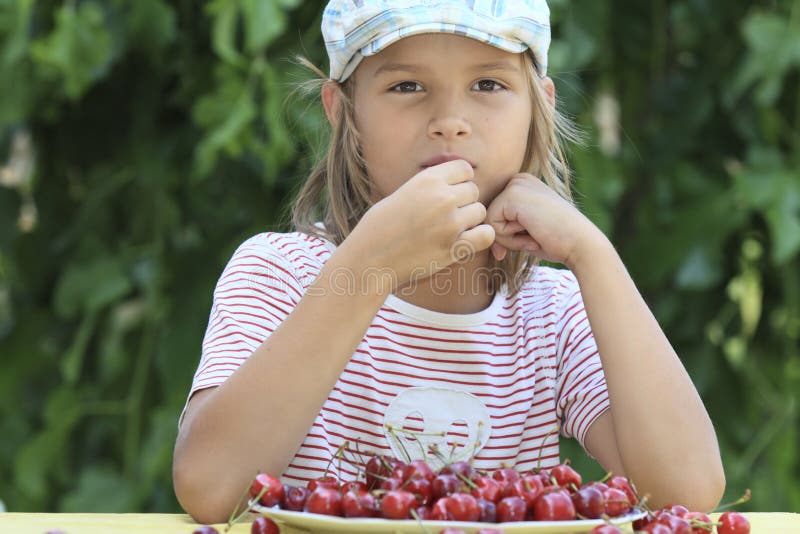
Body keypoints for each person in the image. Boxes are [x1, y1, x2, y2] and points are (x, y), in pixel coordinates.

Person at [173, 0, 725, 524]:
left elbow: (687, 493)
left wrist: (593, 254)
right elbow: (210, 488)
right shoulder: (278, 273)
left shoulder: (552, 313)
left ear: (540, 108)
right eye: (406, 85)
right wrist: (371, 265)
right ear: (342, 112)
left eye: (488, 83)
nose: (450, 121)